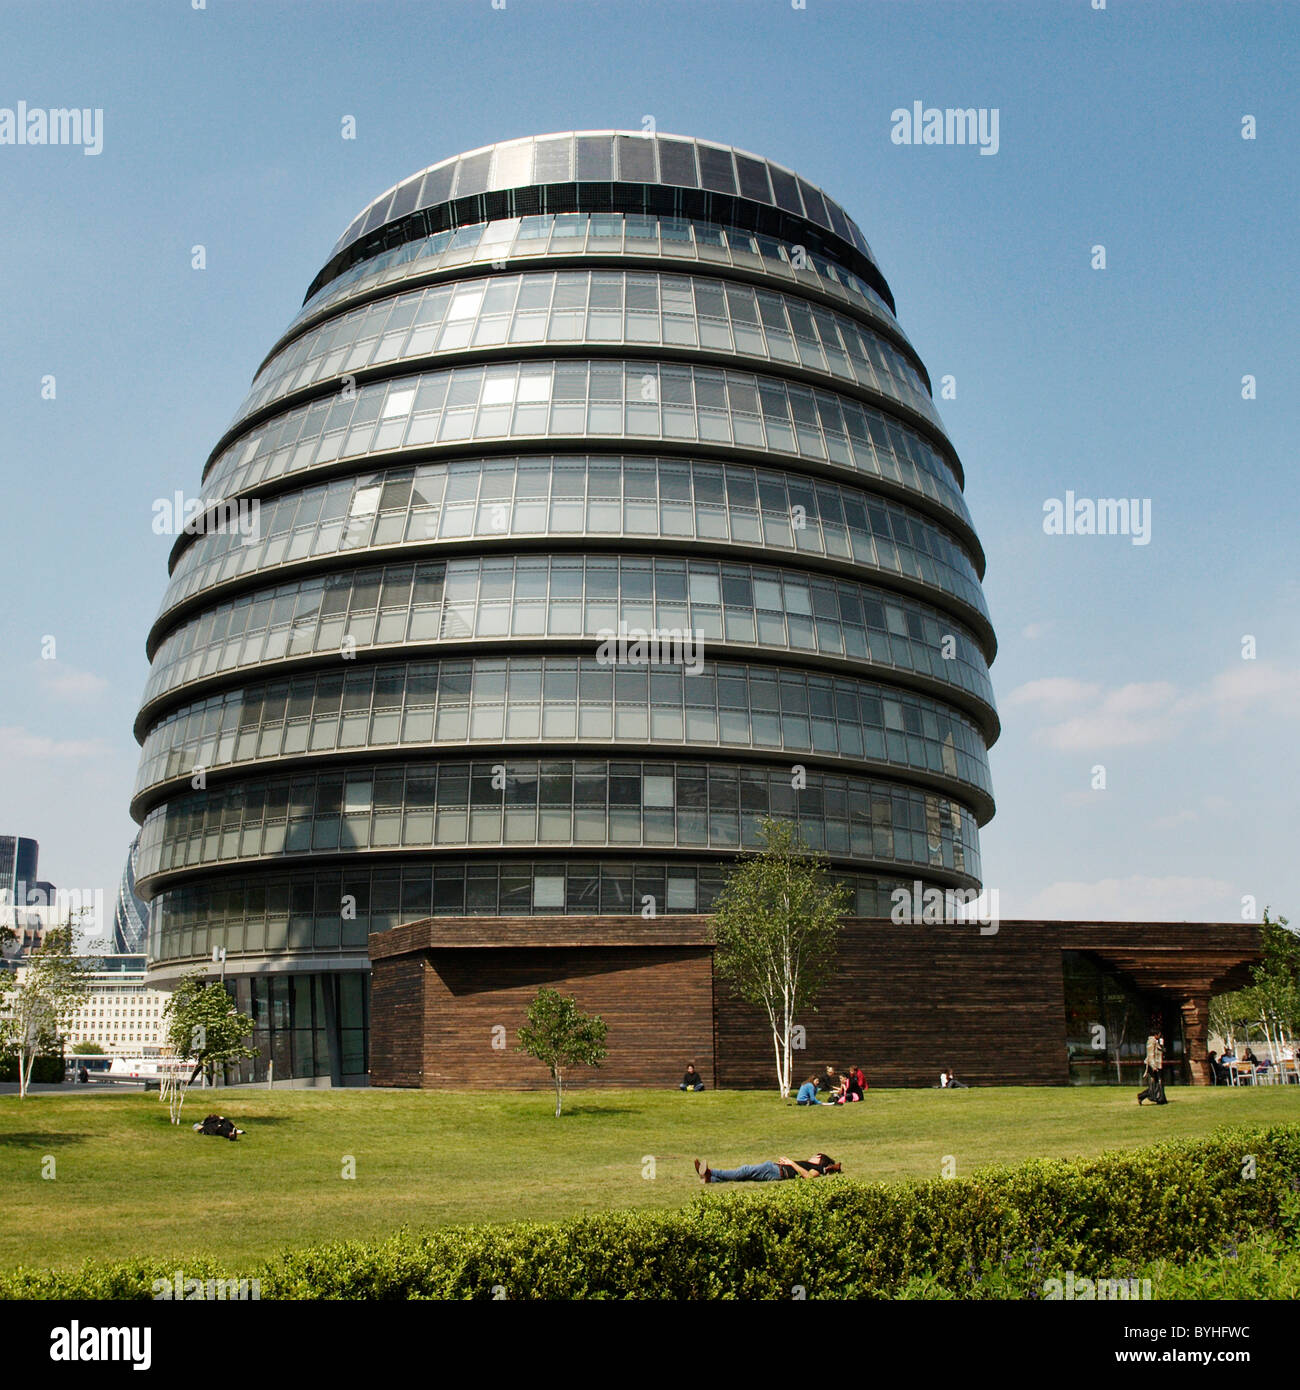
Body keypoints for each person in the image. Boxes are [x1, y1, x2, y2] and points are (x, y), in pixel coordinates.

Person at [695, 1152, 841, 1183]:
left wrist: (791, 1163)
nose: (813, 1156)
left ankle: (709, 1171)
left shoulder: (817, 1169)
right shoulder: (812, 1165)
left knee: (744, 1171)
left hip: (777, 1171)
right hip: (775, 1168)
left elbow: (808, 1177)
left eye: (817, 1155)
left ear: (820, 1160)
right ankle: (711, 1179)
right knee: (744, 1176)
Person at [1137, 1032, 1166, 1105]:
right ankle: (1142, 1096)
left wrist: (1162, 1047)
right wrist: (1153, 1066)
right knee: (1155, 1084)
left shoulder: (1157, 1041)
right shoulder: (1151, 1041)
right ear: (1155, 1034)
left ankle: (1161, 1099)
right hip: (1152, 1066)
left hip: (1158, 1065)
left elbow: (1158, 1052)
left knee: (1159, 1083)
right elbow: (1150, 1055)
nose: (1159, 1036)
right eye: (1159, 1034)